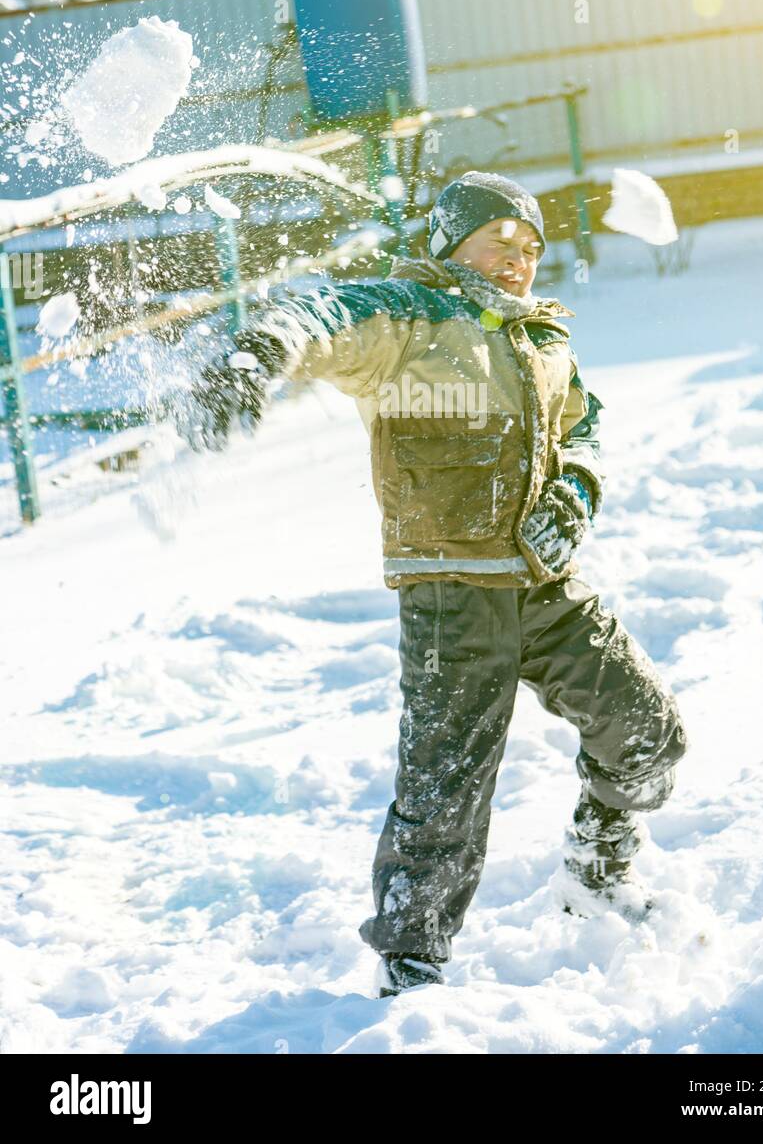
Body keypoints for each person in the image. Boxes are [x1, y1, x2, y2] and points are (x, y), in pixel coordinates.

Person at [169, 170, 689, 999]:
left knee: (649, 730)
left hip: (545, 586)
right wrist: (257, 355)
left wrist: (577, 489)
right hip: (451, 590)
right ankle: (412, 969)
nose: (517, 261)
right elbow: (320, 312)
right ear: (453, 244)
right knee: (446, 789)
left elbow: (583, 427)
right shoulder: (410, 317)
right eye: (499, 242)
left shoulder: (544, 338)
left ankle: (599, 867)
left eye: (530, 248)